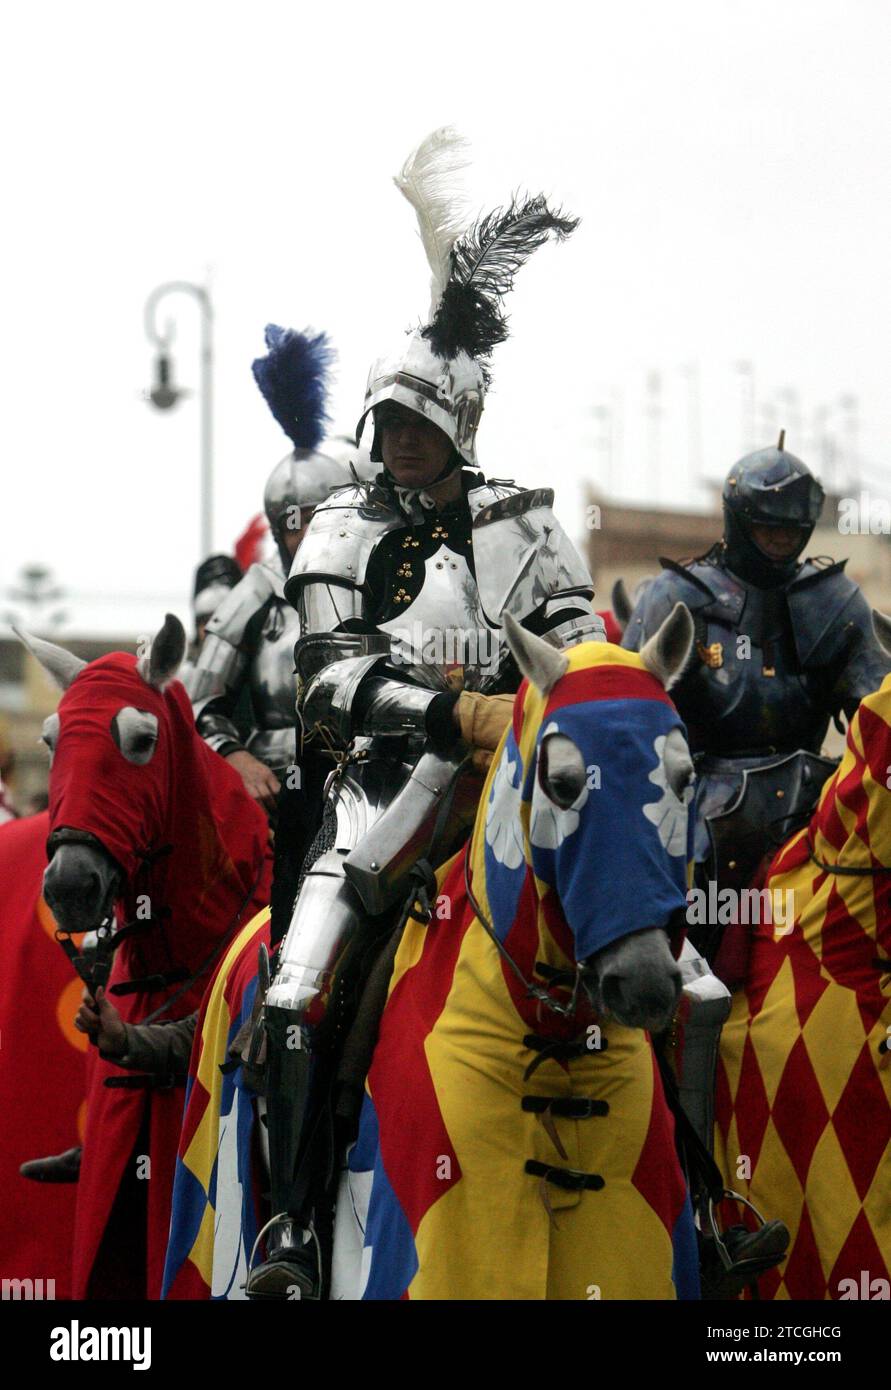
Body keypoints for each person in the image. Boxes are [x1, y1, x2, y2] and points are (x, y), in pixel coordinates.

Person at [251, 128, 606, 1299]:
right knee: (298, 989)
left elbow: (581, 637)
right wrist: (454, 713)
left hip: (520, 795)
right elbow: (326, 681)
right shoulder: (346, 530)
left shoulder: (531, 520)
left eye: (421, 422)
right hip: (381, 798)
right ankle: (290, 1231)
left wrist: (600, 684)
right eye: (387, 422)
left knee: (670, 955)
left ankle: (707, 1188)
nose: (400, 440)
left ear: (461, 421)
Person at [622, 435, 890, 961]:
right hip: (695, 799)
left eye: (790, 530)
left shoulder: (835, 599)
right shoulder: (675, 596)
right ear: (737, 519)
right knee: (673, 927)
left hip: (814, 798)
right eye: (767, 526)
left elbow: (876, 712)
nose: (779, 540)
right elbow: (632, 719)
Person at [189, 326, 369, 945]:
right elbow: (198, 700)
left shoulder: (380, 588)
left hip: (370, 798)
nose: (302, 538)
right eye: (291, 525)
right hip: (270, 818)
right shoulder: (258, 591)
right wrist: (236, 758)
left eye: (317, 519)